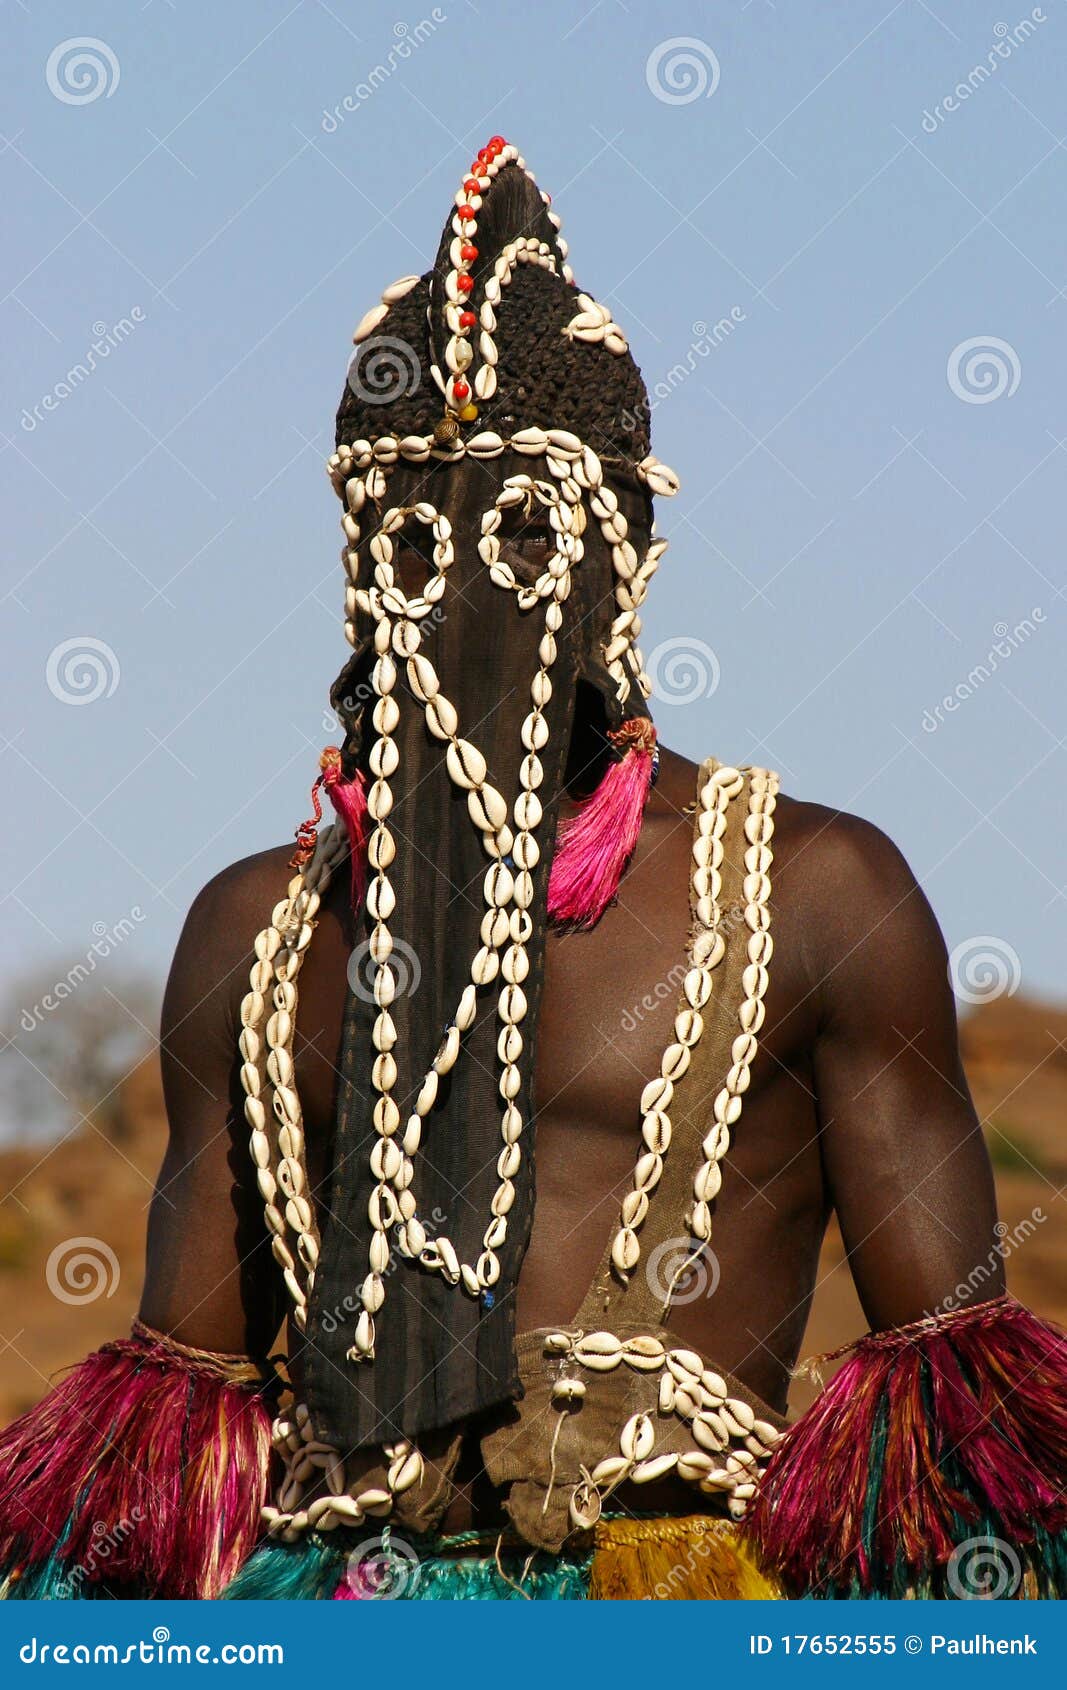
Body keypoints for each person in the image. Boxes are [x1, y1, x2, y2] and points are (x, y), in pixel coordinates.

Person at [1, 138, 1064, 1603]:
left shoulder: (816, 892)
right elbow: (184, 1410)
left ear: (622, 554)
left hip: (667, 1598)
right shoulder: (259, 930)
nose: (461, 592)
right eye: (410, 536)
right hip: (334, 1597)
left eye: (519, 532)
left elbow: (951, 1428)